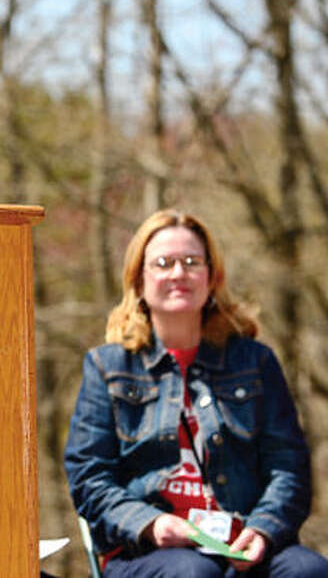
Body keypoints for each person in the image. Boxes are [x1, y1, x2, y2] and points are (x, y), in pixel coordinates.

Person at [64, 210, 328, 577]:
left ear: (212, 277)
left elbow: (288, 468)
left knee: (307, 569)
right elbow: (90, 478)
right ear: (138, 279)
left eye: (191, 262)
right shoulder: (107, 367)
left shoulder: (255, 362)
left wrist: (263, 530)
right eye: (163, 263)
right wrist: (150, 524)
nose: (178, 273)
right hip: (146, 552)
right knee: (192, 572)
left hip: (242, 543)